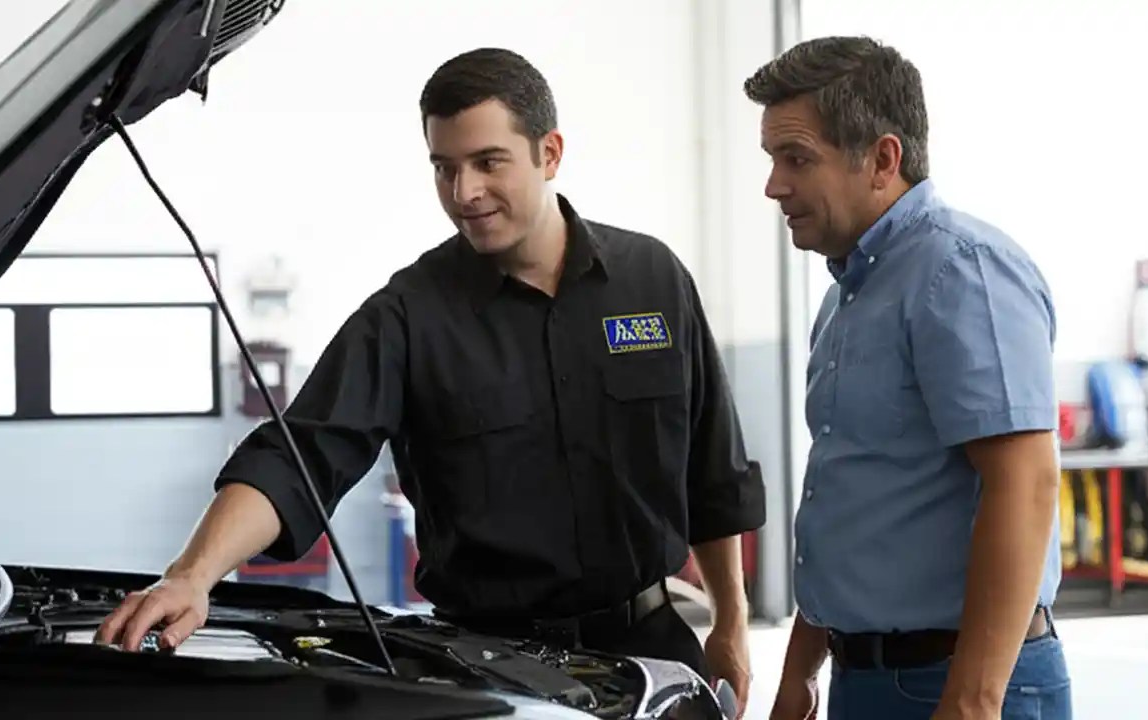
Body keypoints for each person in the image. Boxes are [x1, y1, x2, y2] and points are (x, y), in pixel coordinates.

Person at [96, 47, 766, 710]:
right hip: (491, 669)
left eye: (487, 163)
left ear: (549, 153)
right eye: (443, 168)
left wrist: (732, 625)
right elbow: (300, 455)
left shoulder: (653, 280)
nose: (463, 192)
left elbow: (714, 475)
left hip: (651, 652)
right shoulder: (409, 316)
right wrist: (191, 575)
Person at [742, 35, 1071, 720]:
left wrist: (972, 702)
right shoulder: (848, 296)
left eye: (797, 159)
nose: (774, 185)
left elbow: (1026, 484)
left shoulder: (960, 271)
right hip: (868, 677)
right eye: (773, 159)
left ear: (883, 159)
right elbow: (859, 497)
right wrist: (803, 666)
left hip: (956, 681)